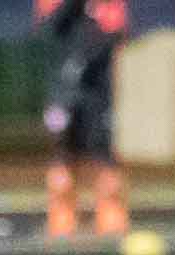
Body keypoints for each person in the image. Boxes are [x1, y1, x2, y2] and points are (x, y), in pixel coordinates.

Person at [36, 0, 128, 238]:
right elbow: (49, 28)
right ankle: (62, 219)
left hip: (98, 93)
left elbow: (116, 33)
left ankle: (111, 219)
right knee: (63, 157)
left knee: (104, 157)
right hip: (63, 90)